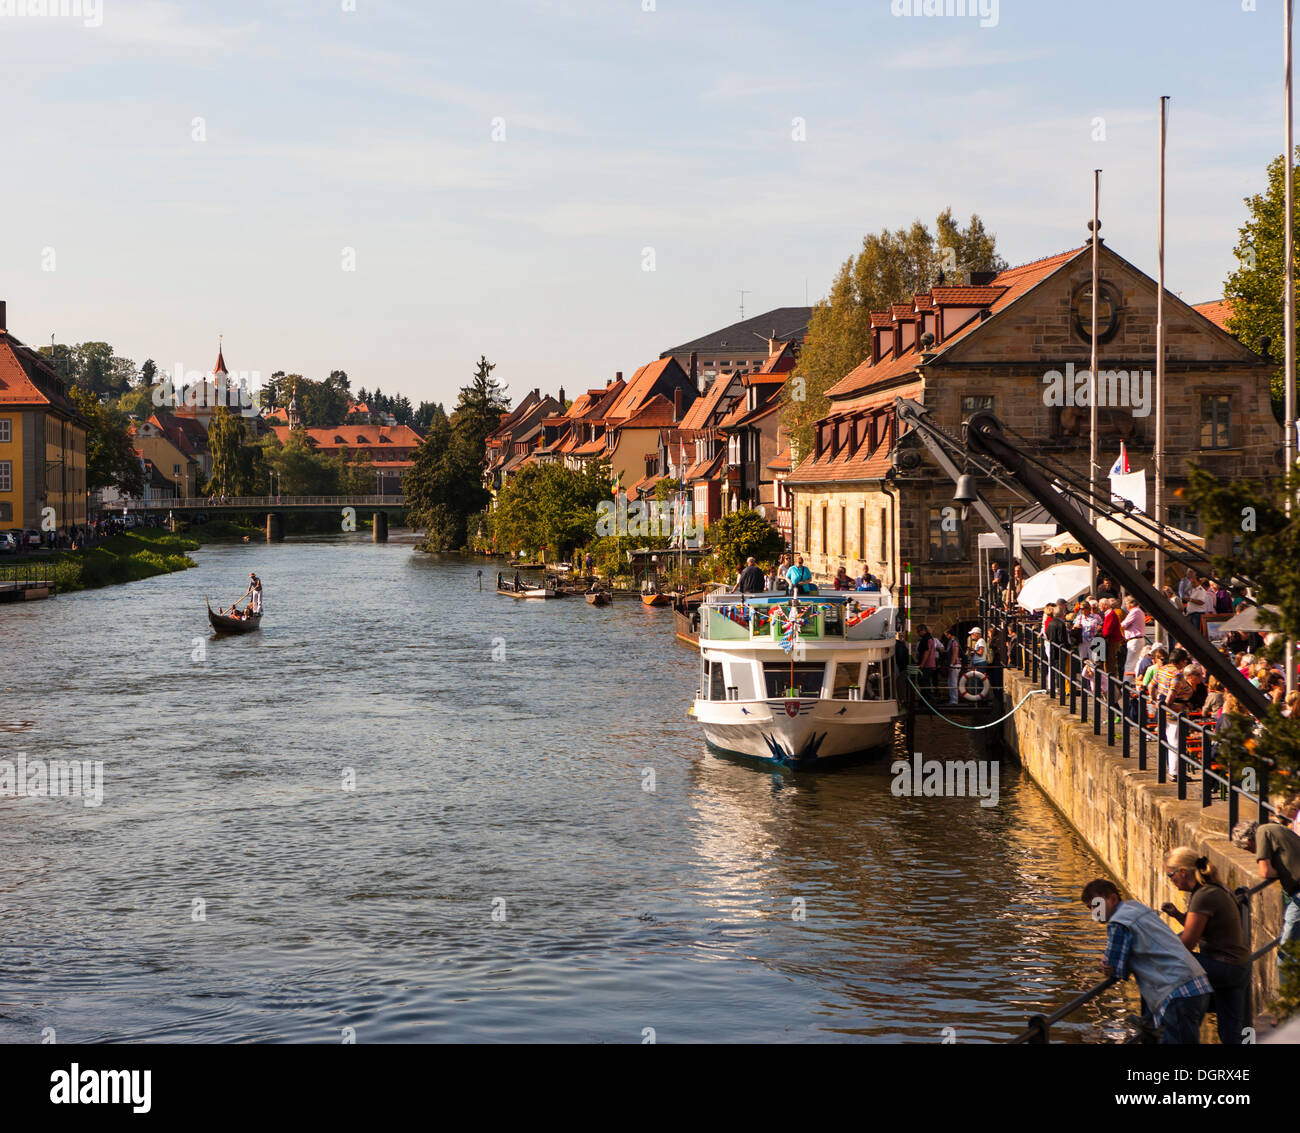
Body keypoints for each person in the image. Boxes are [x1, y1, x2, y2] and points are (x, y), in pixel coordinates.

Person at [1081, 878, 1212, 1044]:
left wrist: (1107, 967)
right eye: (1089, 907)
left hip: (1176, 992)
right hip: (1196, 984)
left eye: (1096, 905)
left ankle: (1148, 1022)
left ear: (1113, 899)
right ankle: (1149, 1022)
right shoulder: (1137, 907)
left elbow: (1115, 969)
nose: (1093, 911)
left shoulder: (1118, 923)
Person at [1159, 848, 1251, 1045]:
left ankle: (1151, 1023)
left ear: (1182, 872)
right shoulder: (1214, 888)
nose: (1170, 880)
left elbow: (1188, 943)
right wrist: (1177, 915)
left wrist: (1157, 948)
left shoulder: (1203, 896)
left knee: (1163, 965)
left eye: (1170, 874)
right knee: (1231, 1032)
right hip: (1240, 966)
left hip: (1224, 966)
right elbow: (1203, 928)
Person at [1232, 819, 1300, 971]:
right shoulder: (1278, 829)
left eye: (1249, 849)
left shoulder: (1263, 832)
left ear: (1249, 841)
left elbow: (1265, 871)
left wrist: (1283, 874)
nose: (1253, 853)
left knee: (1285, 957)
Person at [1121, 595, 1146, 681]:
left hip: (1134, 640)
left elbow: (1123, 624)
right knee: (1135, 664)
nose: (1126, 606)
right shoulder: (1139, 611)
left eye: (1126, 603)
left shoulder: (1134, 611)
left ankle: (1126, 686)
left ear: (1130, 603)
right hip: (1137, 640)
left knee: (1130, 665)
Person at [1099, 597, 1125, 680]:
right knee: (1110, 661)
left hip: (1112, 641)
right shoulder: (1110, 614)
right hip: (1112, 640)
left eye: (1100, 605)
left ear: (1105, 605)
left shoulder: (1110, 615)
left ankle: (1111, 679)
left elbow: (1107, 631)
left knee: (1110, 661)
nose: (1099, 607)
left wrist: (1100, 632)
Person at [942, 629, 961, 706]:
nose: (946, 636)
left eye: (946, 634)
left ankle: (954, 700)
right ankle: (952, 699)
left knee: (953, 682)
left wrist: (951, 664)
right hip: (952, 664)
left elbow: (955, 653)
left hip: (955, 664)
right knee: (950, 682)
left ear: (949, 634)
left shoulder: (954, 642)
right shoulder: (950, 642)